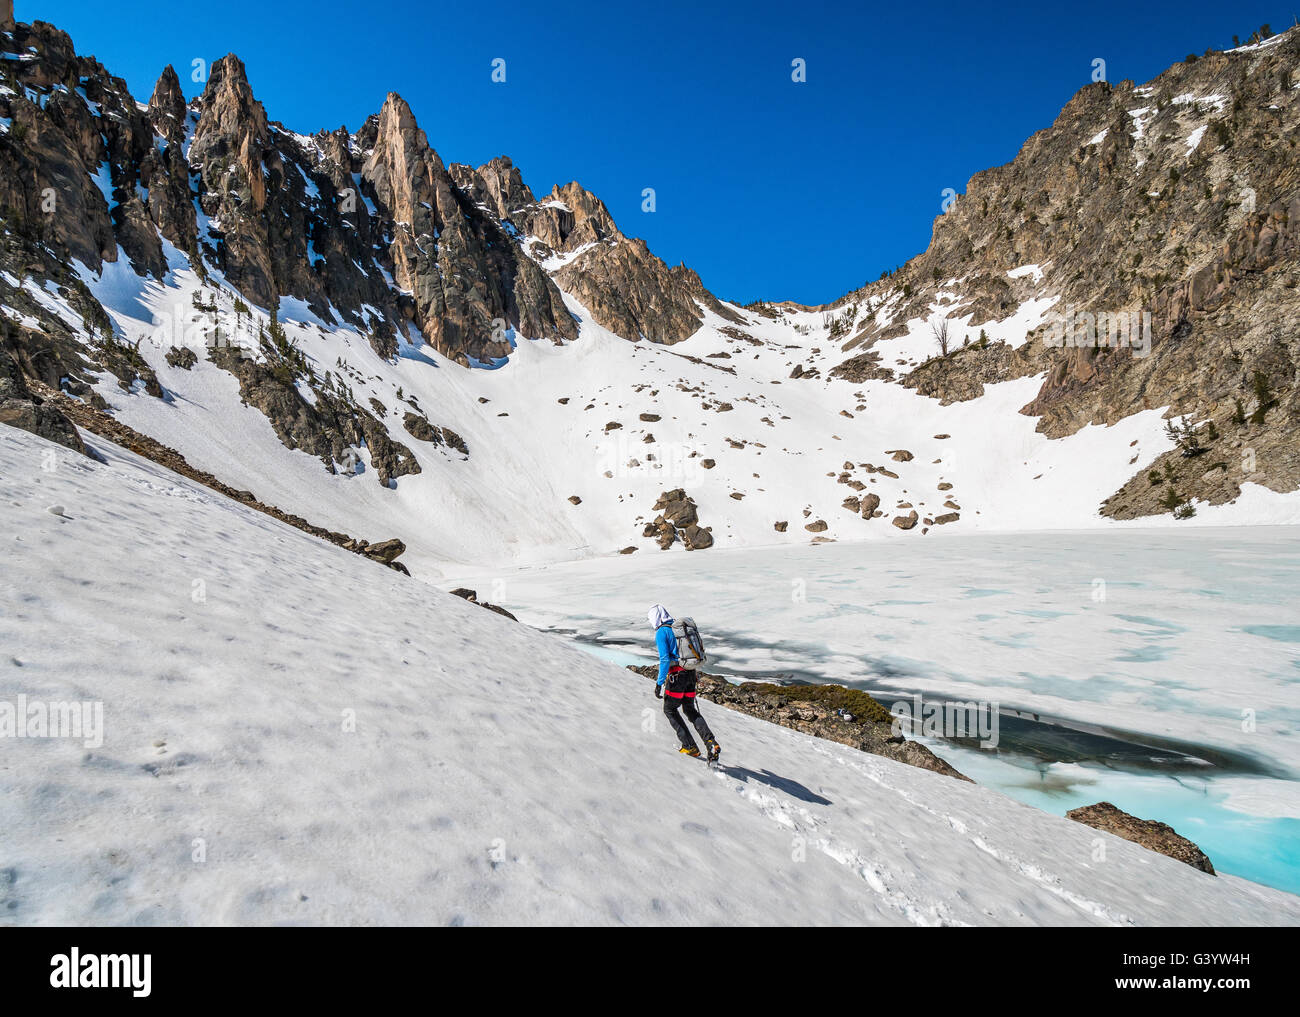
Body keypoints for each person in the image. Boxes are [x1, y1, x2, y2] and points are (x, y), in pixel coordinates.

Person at [648, 604, 720, 761]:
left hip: (676, 677)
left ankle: (690, 746)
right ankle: (711, 742)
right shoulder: (676, 629)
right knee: (689, 709)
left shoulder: (662, 632)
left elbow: (665, 659)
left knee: (670, 709)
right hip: (690, 674)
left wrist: (659, 683)